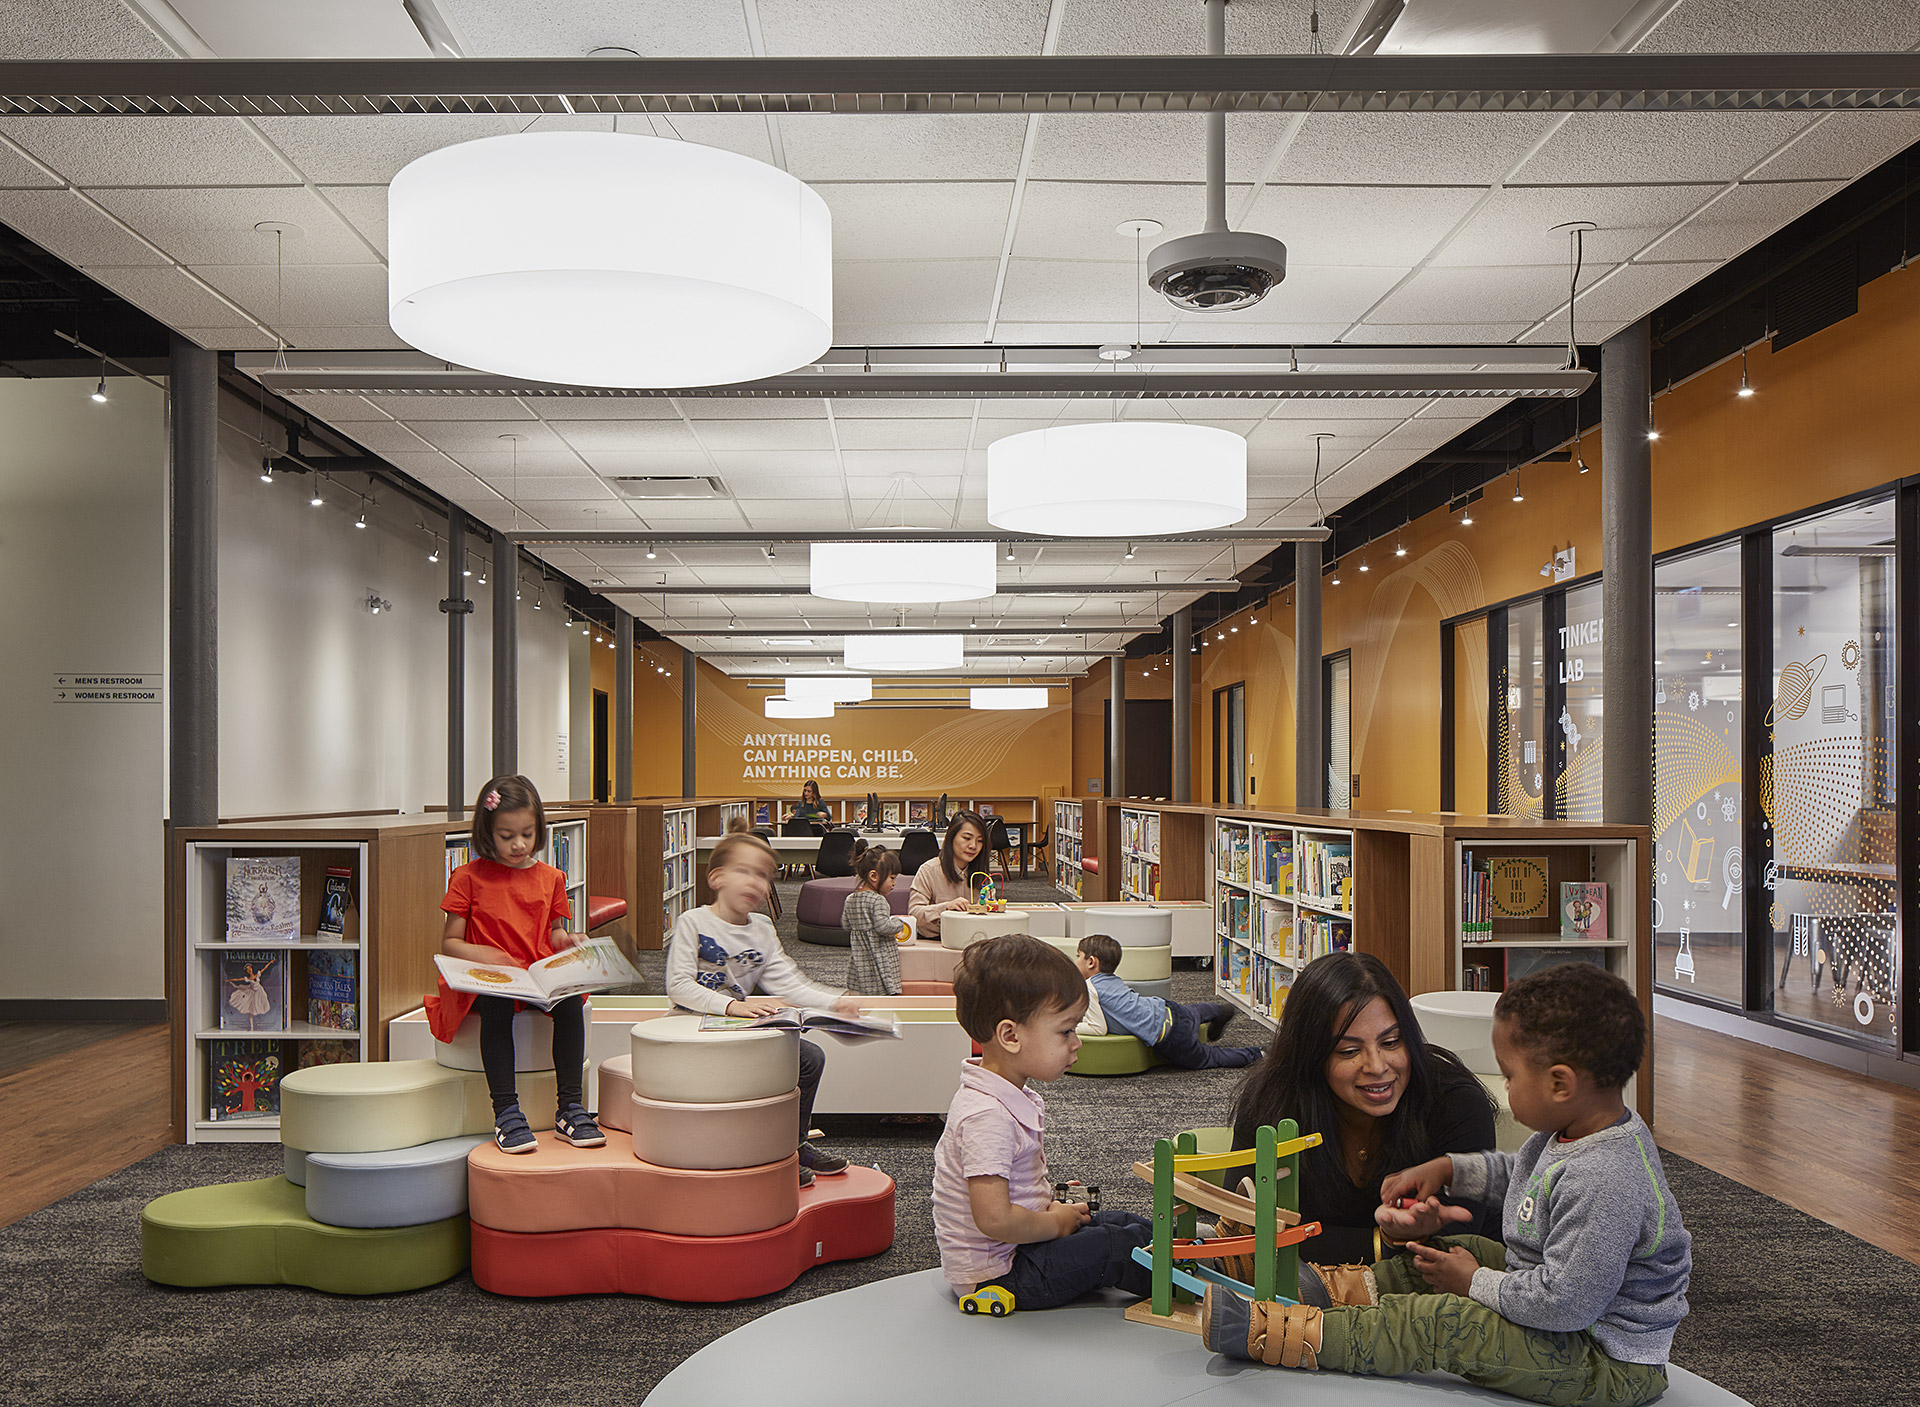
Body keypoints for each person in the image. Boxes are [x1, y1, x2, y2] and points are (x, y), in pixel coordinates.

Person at [1203, 962, 1689, 1407]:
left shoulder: (1607, 1178)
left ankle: (1290, 1336)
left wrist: (1474, 1282)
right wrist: (1451, 1170)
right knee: (1450, 1253)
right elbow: (1526, 1176)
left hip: (1602, 1359)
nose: (1377, 1065)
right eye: (1350, 1051)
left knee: (1443, 1324)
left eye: (1509, 1076)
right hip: (1560, 1306)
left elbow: (1566, 1305)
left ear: (1560, 1084)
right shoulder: (1573, 1136)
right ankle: (1328, 1290)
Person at [1228, 952, 1497, 1267]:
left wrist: (1298, 1241)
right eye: (1350, 1051)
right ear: (1311, 1055)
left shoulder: (1454, 1102)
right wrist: (1387, 1243)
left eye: (1391, 1042)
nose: (1377, 1066)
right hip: (1302, 1289)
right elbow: (1239, 1228)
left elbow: (1450, 1250)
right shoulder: (1271, 1100)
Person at [931, 934, 1153, 1313]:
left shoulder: (1005, 1095)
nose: (1076, 1042)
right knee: (1114, 1246)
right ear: (1011, 1036)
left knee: (1117, 1221)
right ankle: (1195, 1278)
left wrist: (1052, 1211)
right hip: (999, 1274)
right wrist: (1055, 1224)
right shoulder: (986, 1115)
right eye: (1066, 1031)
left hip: (1020, 1246)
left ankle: (1196, 1247)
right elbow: (994, 1219)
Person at [665, 830, 863, 1187]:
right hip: (691, 1028)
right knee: (761, 1068)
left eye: (763, 875)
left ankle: (793, 1146)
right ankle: (761, 1152)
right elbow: (679, 986)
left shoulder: (762, 928)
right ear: (717, 877)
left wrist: (835, 1002)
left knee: (809, 1058)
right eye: (744, 871)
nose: (755, 882)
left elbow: (789, 983)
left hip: (736, 1029)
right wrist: (732, 1006)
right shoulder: (693, 921)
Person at [426, 774, 601, 1156]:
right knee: (497, 1005)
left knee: (570, 1003)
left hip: (534, 974)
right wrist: (485, 953)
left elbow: (554, 933)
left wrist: (568, 941)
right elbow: (450, 943)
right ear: (487, 831)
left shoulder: (551, 878)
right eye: (506, 836)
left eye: (527, 834)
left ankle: (570, 1108)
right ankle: (506, 1112)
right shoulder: (467, 877)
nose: (518, 844)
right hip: (489, 980)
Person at [1073, 935, 1260, 1069]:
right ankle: (1218, 1011)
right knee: (1194, 1012)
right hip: (1166, 1008)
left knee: (1210, 1057)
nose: (1075, 961)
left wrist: (1073, 1027)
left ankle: (1257, 1054)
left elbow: (1098, 1028)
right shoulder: (1113, 979)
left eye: (1078, 956)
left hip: (1170, 1036)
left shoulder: (1089, 988)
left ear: (1091, 962)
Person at [909, 810, 992, 940]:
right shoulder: (929, 870)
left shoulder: (983, 876)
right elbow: (914, 914)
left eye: (980, 841)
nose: (973, 846)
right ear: (951, 837)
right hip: (934, 941)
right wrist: (945, 907)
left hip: (973, 939)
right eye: (967, 838)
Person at [844, 846, 907, 996]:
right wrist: (898, 923)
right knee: (881, 987)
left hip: (859, 953)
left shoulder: (850, 898)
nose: (894, 883)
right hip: (879, 952)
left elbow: (846, 924)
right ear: (873, 876)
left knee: (861, 986)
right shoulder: (878, 900)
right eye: (892, 878)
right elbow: (882, 927)